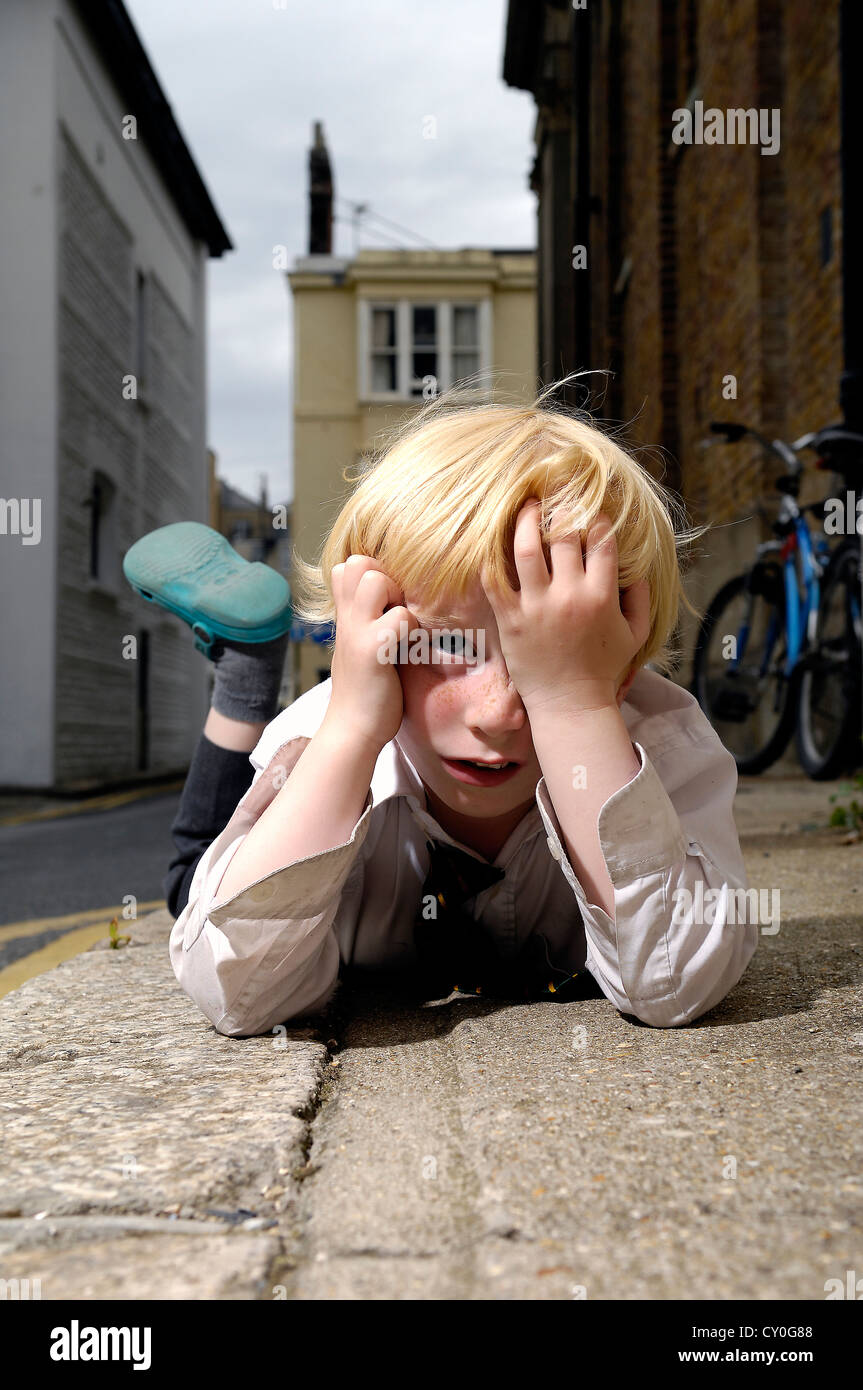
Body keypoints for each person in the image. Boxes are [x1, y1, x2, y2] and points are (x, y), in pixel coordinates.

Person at [128, 382, 758, 1038]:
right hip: (311, 755)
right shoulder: (323, 733)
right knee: (190, 885)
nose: (498, 713)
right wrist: (348, 731)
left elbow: (677, 980)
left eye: (549, 659)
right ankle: (247, 677)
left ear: (625, 665)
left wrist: (573, 708)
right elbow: (236, 991)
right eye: (448, 645)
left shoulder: (661, 746)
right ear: (374, 636)